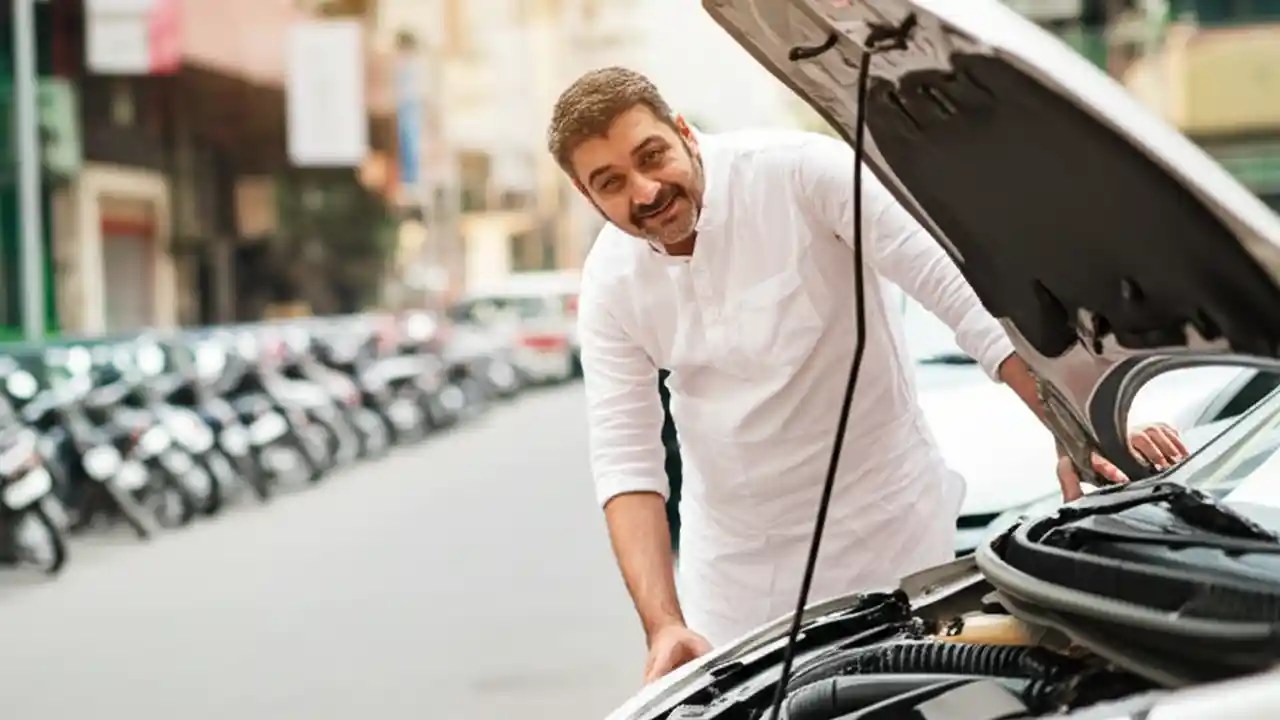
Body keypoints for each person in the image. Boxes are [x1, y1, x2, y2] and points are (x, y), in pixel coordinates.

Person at [547, 67, 1188, 684]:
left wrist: (1078, 429)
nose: (644, 191)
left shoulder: (804, 171)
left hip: (889, 535)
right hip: (735, 571)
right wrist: (663, 625)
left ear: (684, 131)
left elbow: (967, 304)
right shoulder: (609, 282)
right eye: (610, 182)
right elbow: (627, 463)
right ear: (587, 194)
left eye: (651, 156)